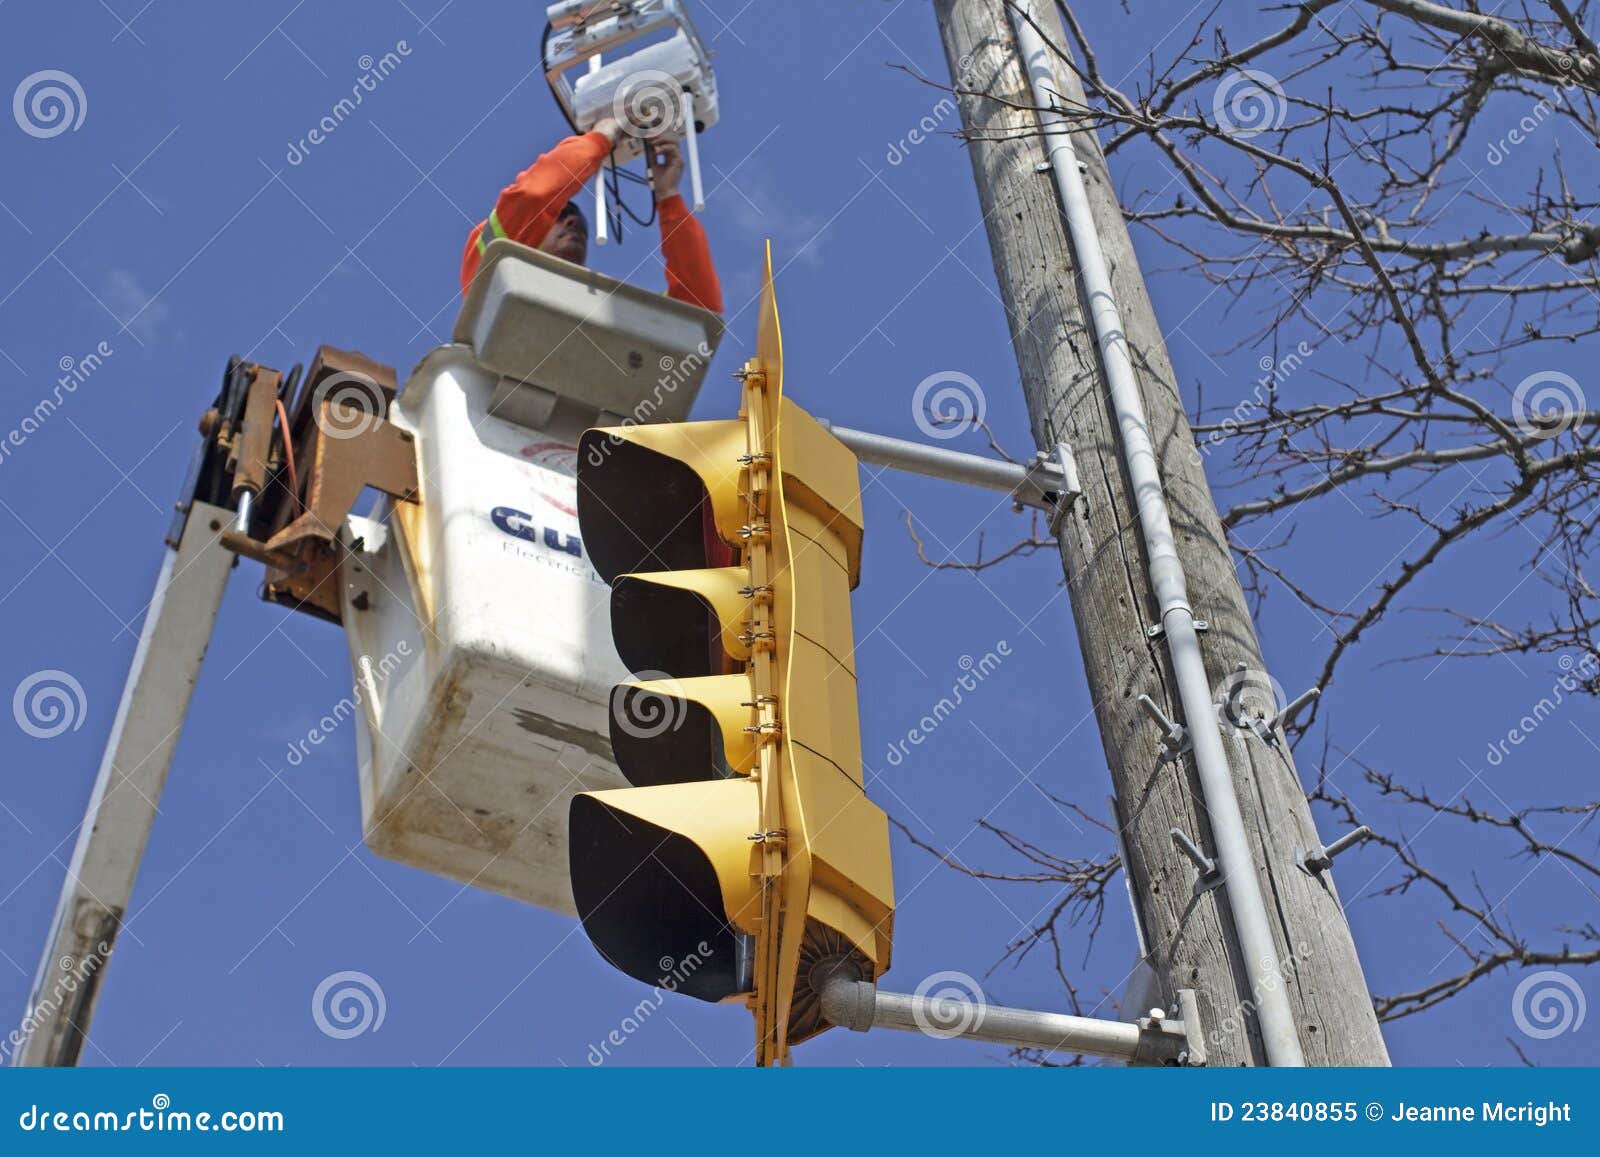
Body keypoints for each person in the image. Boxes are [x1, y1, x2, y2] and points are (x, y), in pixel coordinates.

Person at [460, 117, 722, 313]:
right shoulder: (490, 268)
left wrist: (668, 197)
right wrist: (601, 137)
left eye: (582, 223)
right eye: (558, 214)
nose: (573, 221)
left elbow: (700, 308)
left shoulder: (601, 324)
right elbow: (534, 195)